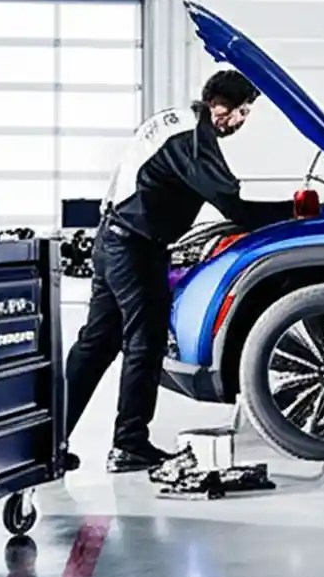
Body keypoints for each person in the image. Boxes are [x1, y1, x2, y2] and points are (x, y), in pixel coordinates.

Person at [63, 70, 295, 473]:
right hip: (134, 247)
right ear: (222, 109)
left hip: (114, 237)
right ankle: (129, 445)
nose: (242, 122)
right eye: (243, 112)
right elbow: (234, 207)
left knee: (96, 344)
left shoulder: (176, 120)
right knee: (146, 341)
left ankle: (46, 441)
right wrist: (295, 212)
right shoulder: (193, 138)